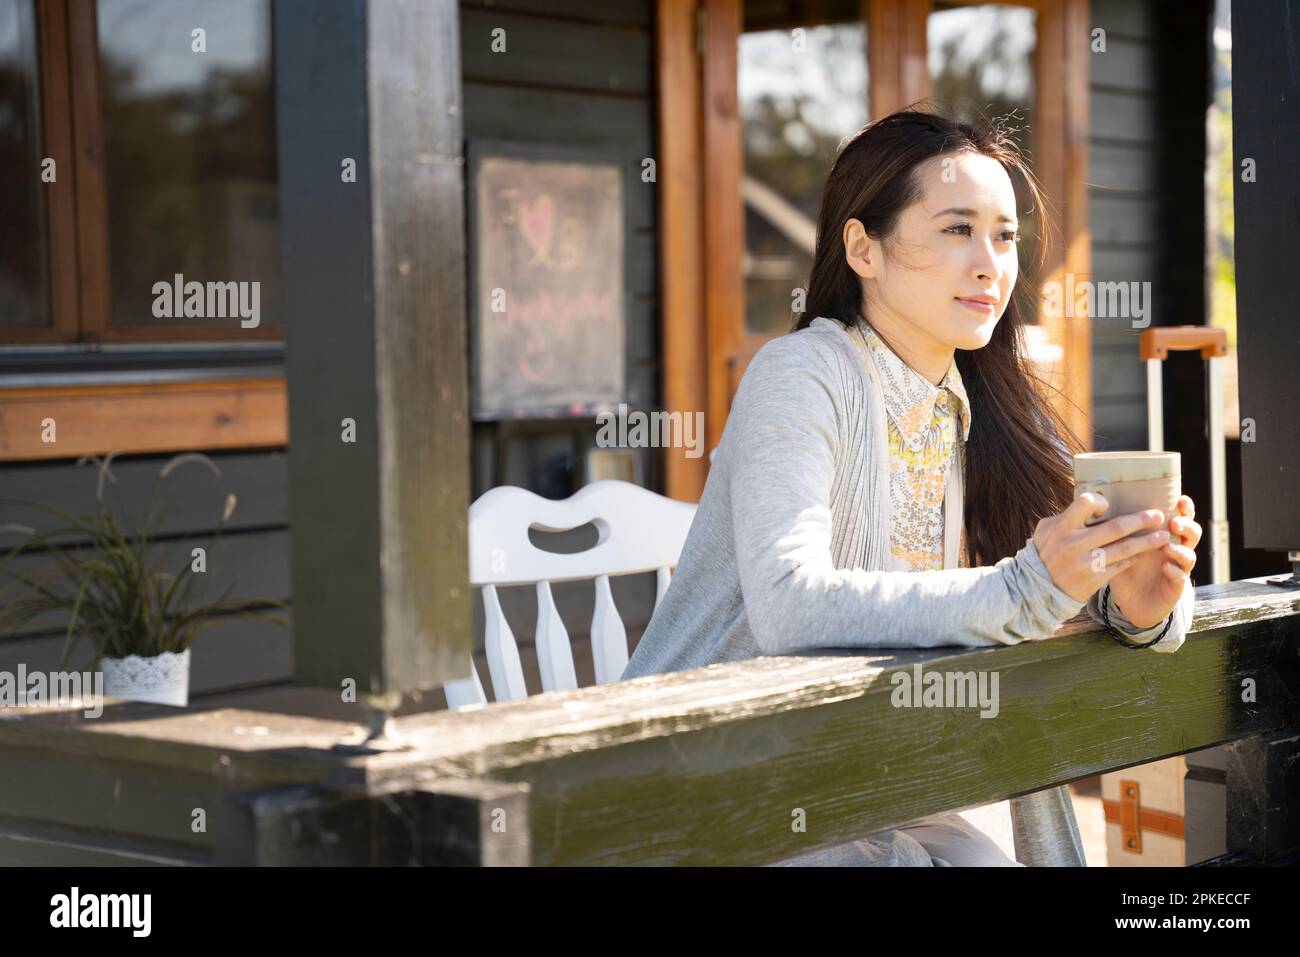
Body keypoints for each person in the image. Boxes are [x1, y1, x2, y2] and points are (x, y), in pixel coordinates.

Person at [620, 109, 1200, 866]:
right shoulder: (801, 374)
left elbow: (1053, 574)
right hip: (702, 774)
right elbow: (790, 602)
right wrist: (1027, 590)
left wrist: (1137, 600)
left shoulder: (982, 403)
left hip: (852, 776)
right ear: (864, 248)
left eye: (1005, 234)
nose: (990, 263)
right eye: (957, 229)